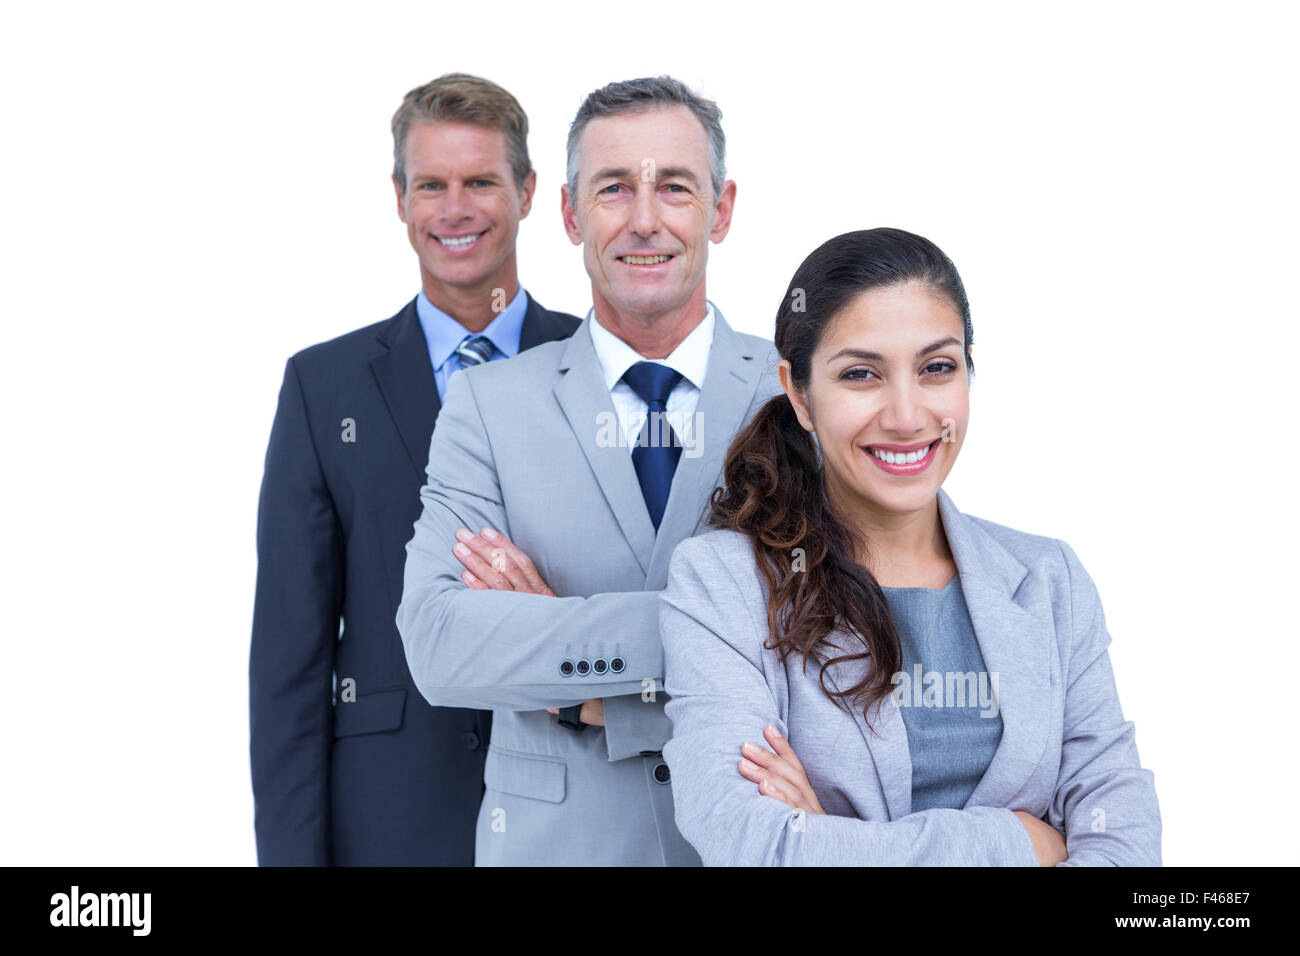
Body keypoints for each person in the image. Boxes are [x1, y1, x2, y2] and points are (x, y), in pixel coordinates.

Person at [659, 227, 1162, 865]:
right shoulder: (723, 582)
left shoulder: (1048, 578)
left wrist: (839, 843)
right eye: (861, 374)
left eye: (937, 368)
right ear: (799, 392)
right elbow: (753, 843)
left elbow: (1127, 847)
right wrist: (1021, 842)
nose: (905, 415)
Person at [396, 76, 782, 866]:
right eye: (614, 189)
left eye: (675, 186)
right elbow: (439, 645)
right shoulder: (488, 404)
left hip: (754, 844)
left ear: (723, 208)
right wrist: (730, 634)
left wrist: (578, 686)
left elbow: (838, 642)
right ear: (571, 214)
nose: (645, 220)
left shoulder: (797, 397)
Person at [249, 73, 580, 866]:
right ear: (399, 198)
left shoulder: (595, 366)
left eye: (480, 182)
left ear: (528, 191)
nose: (454, 208)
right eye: (431, 184)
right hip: (386, 816)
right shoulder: (321, 388)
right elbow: (288, 661)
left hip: (575, 806)